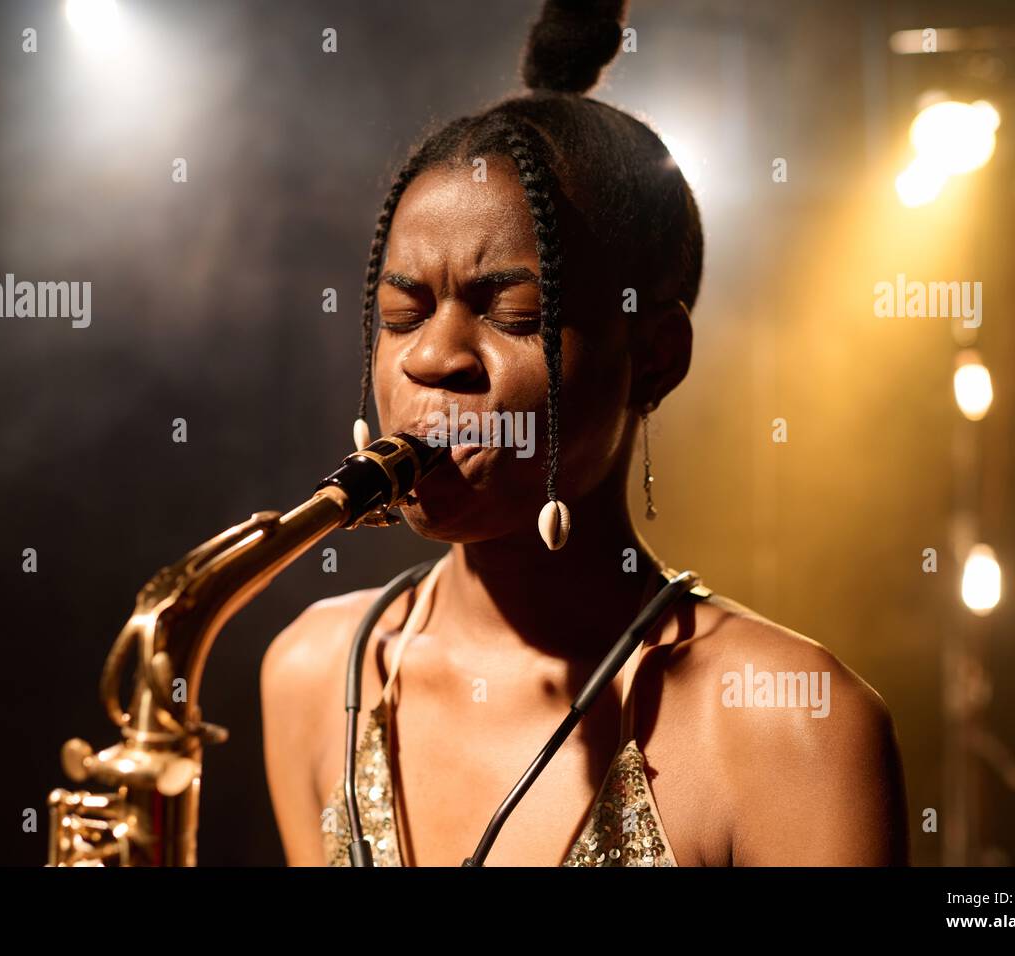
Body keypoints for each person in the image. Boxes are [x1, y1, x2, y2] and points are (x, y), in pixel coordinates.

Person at [262, 0, 909, 867]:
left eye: (518, 314)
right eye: (402, 313)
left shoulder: (796, 726)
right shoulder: (310, 674)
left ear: (655, 357)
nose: (435, 359)